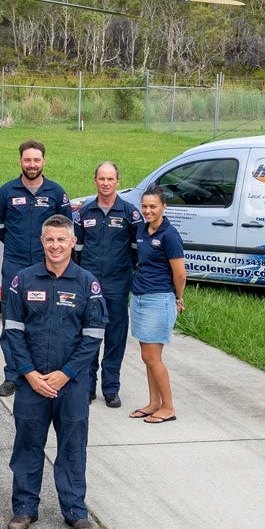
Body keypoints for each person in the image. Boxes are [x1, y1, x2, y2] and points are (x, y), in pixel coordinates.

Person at [1, 214, 107, 529]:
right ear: (42, 242)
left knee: (73, 446)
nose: (56, 245)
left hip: (71, 385)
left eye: (62, 239)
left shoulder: (88, 284)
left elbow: (93, 336)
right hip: (32, 383)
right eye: (50, 239)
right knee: (28, 445)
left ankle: (75, 511)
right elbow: (12, 332)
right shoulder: (23, 280)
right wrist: (30, 374)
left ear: (73, 242)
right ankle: (24, 508)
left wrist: (66, 374)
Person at [0, 140, 72, 397]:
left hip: (47, 266)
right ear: (20, 161)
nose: (32, 165)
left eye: (36, 160)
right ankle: (12, 375)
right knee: (12, 321)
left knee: (48, 318)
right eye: (27, 160)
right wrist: (17, 245)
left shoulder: (57, 193)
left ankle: (46, 371)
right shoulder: (6, 192)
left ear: (44, 161)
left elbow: (67, 230)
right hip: (15, 264)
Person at [74, 162, 142, 409]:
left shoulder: (129, 213)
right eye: (101, 178)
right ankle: (88, 387)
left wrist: (130, 278)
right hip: (90, 287)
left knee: (115, 338)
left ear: (117, 181)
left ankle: (111, 388)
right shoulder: (84, 213)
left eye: (110, 179)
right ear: (95, 181)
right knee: (89, 336)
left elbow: (137, 250)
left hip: (117, 285)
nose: (105, 183)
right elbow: (76, 252)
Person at [129, 185, 186, 424]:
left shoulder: (169, 235)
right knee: (146, 356)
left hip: (159, 299)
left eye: (153, 206)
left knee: (154, 357)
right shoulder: (142, 230)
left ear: (164, 207)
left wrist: (178, 297)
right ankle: (154, 403)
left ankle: (168, 407)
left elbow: (180, 274)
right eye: (144, 206)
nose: (148, 210)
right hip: (140, 298)